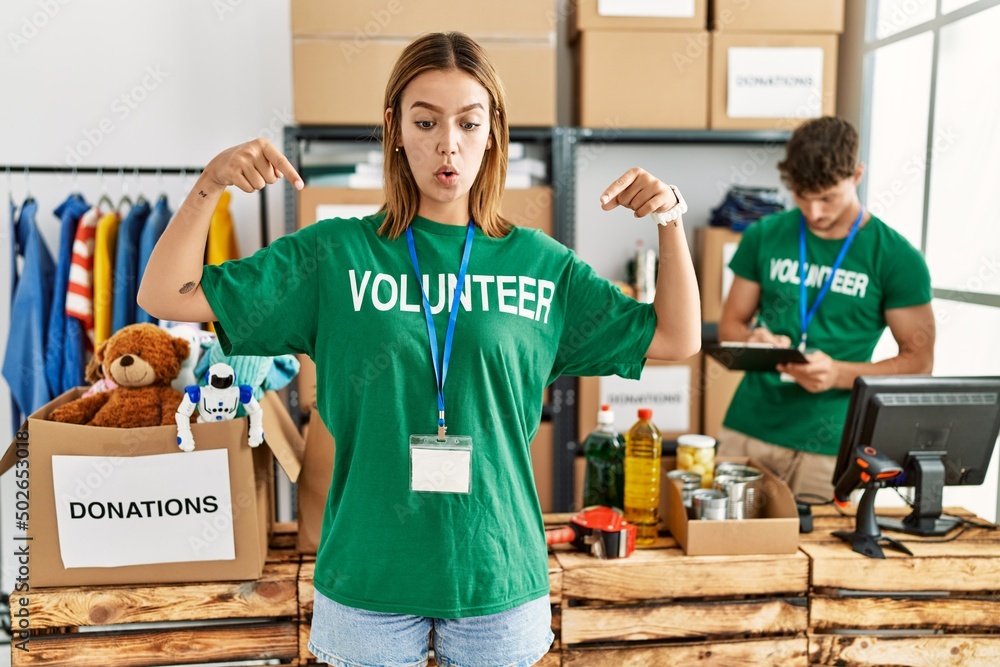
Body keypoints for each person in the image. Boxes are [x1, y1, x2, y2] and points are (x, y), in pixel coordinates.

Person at [138, 32, 700, 667]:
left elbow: (678, 338)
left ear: (494, 133)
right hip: (367, 577)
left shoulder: (542, 266)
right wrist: (209, 186)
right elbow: (166, 292)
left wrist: (670, 219)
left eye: (468, 122)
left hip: (497, 575)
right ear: (395, 128)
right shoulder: (334, 255)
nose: (447, 144)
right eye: (425, 121)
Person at [716, 116, 934, 500]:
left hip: (828, 444)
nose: (813, 211)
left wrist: (837, 374)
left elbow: (920, 360)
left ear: (857, 175)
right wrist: (754, 340)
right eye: (801, 195)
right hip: (749, 428)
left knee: (819, 556)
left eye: (828, 197)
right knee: (724, 548)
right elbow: (731, 325)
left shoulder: (896, 257)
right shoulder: (763, 235)